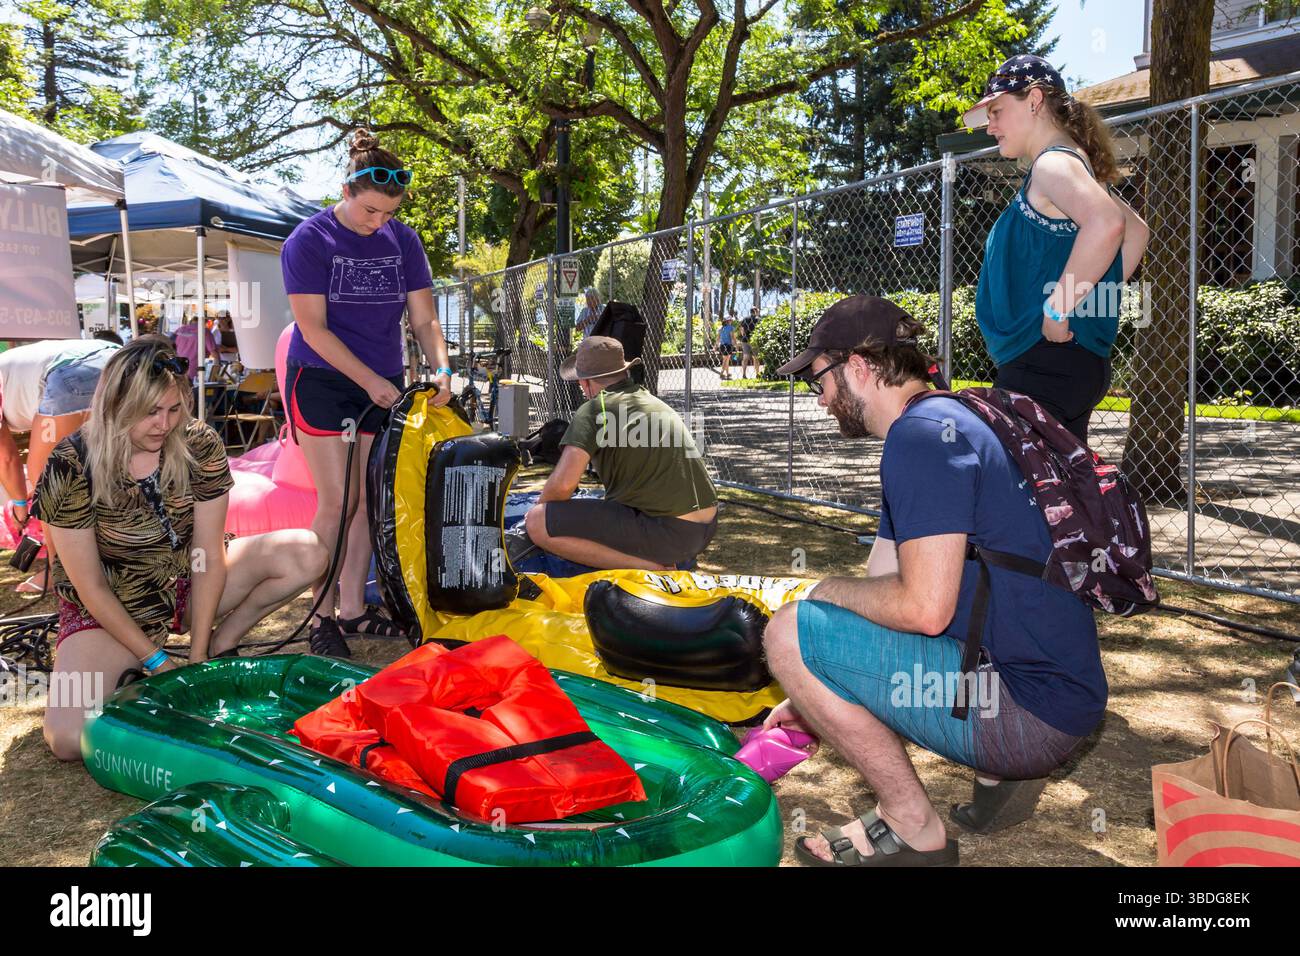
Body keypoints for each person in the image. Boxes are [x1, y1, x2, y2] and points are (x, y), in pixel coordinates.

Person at [762, 295, 1106, 867]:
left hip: (1030, 709)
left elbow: (923, 610)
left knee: (789, 631)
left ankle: (913, 825)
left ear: (859, 366)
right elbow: (882, 583)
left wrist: (817, 595)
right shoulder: (949, 418)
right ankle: (997, 774)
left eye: (817, 379)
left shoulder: (920, 440)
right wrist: (818, 688)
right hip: (1054, 689)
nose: (819, 400)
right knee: (816, 638)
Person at [37, 336, 327, 760]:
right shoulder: (70, 463)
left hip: (184, 580)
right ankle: (136, 671)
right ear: (116, 406)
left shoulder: (199, 443)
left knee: (308, 551)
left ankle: (222, 644)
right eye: (150, 412)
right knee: (67, 740)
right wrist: (156, 660)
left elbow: (207, 552)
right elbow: (91, 588)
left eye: (174, 409)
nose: (164, 424)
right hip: (111, 606)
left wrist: (199, 651)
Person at [281, 128, 454, 657]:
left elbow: (424, 319)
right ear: (346, 190)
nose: (378, 222)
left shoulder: (403, 240)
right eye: (370, 211)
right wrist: (372, 382)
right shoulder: (309, 240)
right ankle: (320, 614)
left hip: (381, 384)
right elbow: (314, 330)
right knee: (337, 501)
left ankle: (353, 609)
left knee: (366, 503)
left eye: (388, 213)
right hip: (322, 378)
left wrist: (442, 367)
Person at [965, 54, 1149, 443]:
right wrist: (1086, 299)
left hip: (1042, 366)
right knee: (1061, 493)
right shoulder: (1072, 164)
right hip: (1070, 363)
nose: (990, 126)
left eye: (996, 111)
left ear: (1033, 100)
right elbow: (1135, 233)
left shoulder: (1053, 166)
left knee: (1021, 493)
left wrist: (1059, 307)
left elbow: (1109, 225)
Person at [524, 336, 718, 571]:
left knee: (537, 522)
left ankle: (653, 569)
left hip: (669, 534)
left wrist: (543, 511)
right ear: (624, 372)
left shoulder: (596, 408)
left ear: (585, 383)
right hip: (705, 528)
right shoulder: (652, 401)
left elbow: (563, 485)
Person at [0, 336, 120, 592]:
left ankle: (60, 574)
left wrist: (21, 505)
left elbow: (7, 456)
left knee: (49, 479)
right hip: (119, 359)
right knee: (102, 474)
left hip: (74, 370)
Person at [172, 311, 220, 382]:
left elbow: (170, 346)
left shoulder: (179, 329)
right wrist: (220, 365)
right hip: (194, 370)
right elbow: (214, 353)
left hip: (177, 368)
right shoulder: (204, 331)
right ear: (204, 322)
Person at [737, 307, 760, 379]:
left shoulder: (745, 319)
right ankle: (757, 374)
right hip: (754, 340)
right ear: (756, 311)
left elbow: (741, 328)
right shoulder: (758, 319)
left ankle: (744, 374)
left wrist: (743, 334)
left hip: (745, 340)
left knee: (745, 357)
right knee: (756, 358)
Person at [718, 314, 735, 380]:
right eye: (731, 320)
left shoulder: (721, 328)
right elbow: (732, 337)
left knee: (726, 359)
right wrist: (735, 344)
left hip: (722, 346)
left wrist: (715, 345)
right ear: (728, 321)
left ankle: (727, 373)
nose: (731, 321)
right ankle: (721, 373)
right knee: (726, 360)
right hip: (728, 345)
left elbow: (718, 338)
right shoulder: (730, 327)